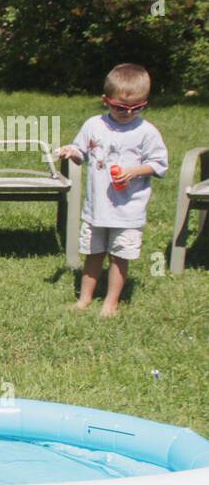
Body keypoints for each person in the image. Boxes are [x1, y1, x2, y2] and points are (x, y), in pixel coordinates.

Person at [55, 63, 168, 317]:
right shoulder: (93, 125)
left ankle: (111, 303)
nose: (128, 113)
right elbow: (81, 152)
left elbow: (160, 164)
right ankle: (84, 299)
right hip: (97, 209)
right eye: (120, 107)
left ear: (144, 104)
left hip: (128, 210)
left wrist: (135, 171)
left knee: (119, 257)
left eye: (136, 108)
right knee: (93, 254)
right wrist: (71, 152)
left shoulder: (146, 132)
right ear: (106, 100)